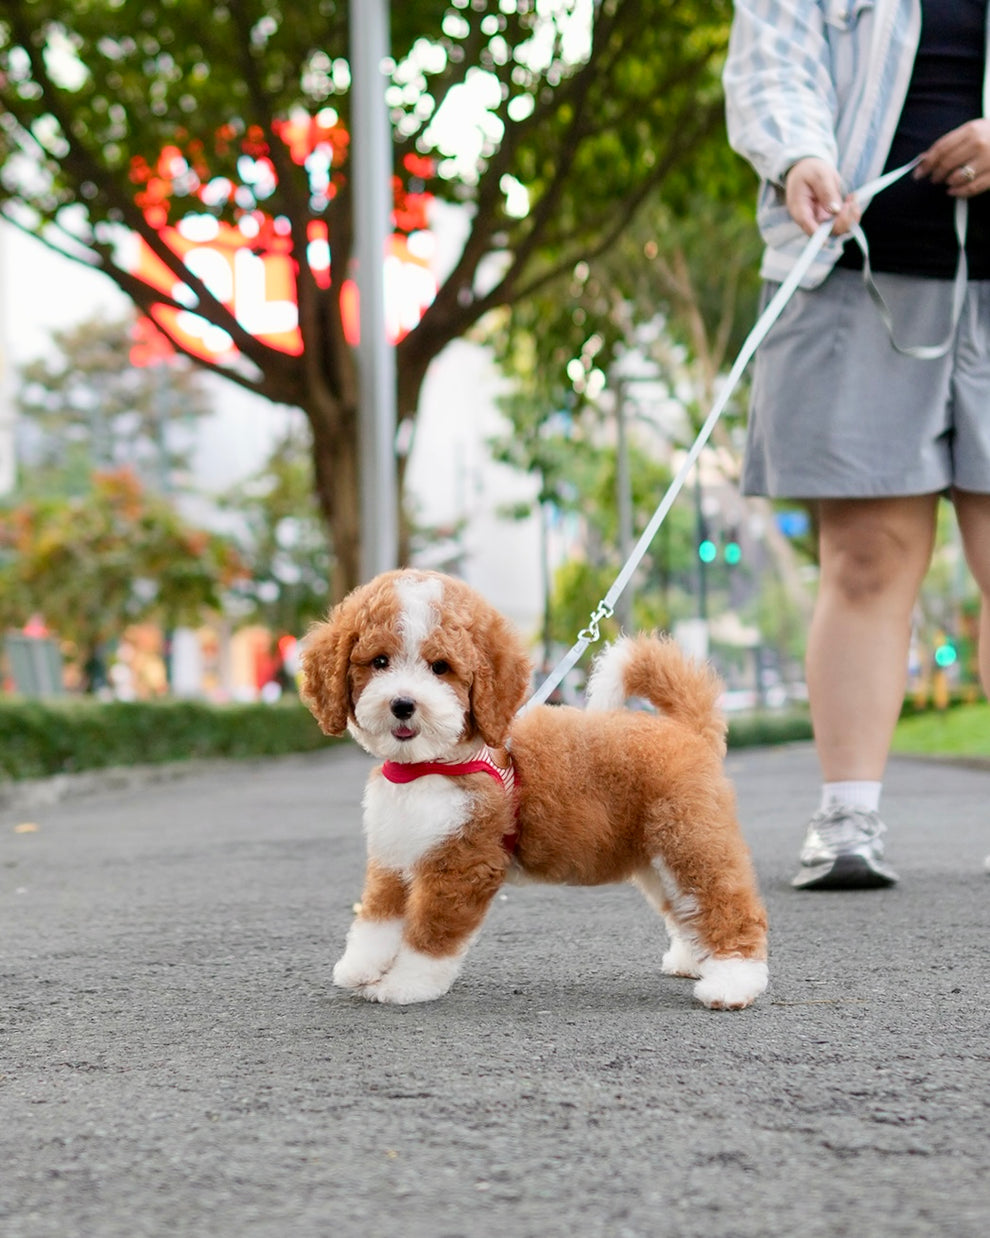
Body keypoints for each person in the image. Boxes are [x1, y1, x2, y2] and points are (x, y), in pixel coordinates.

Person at [723, 1, 990, 888]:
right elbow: (775, 59)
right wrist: (801, 156)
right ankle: (847, 817)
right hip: (858, 268)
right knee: (868, 555)